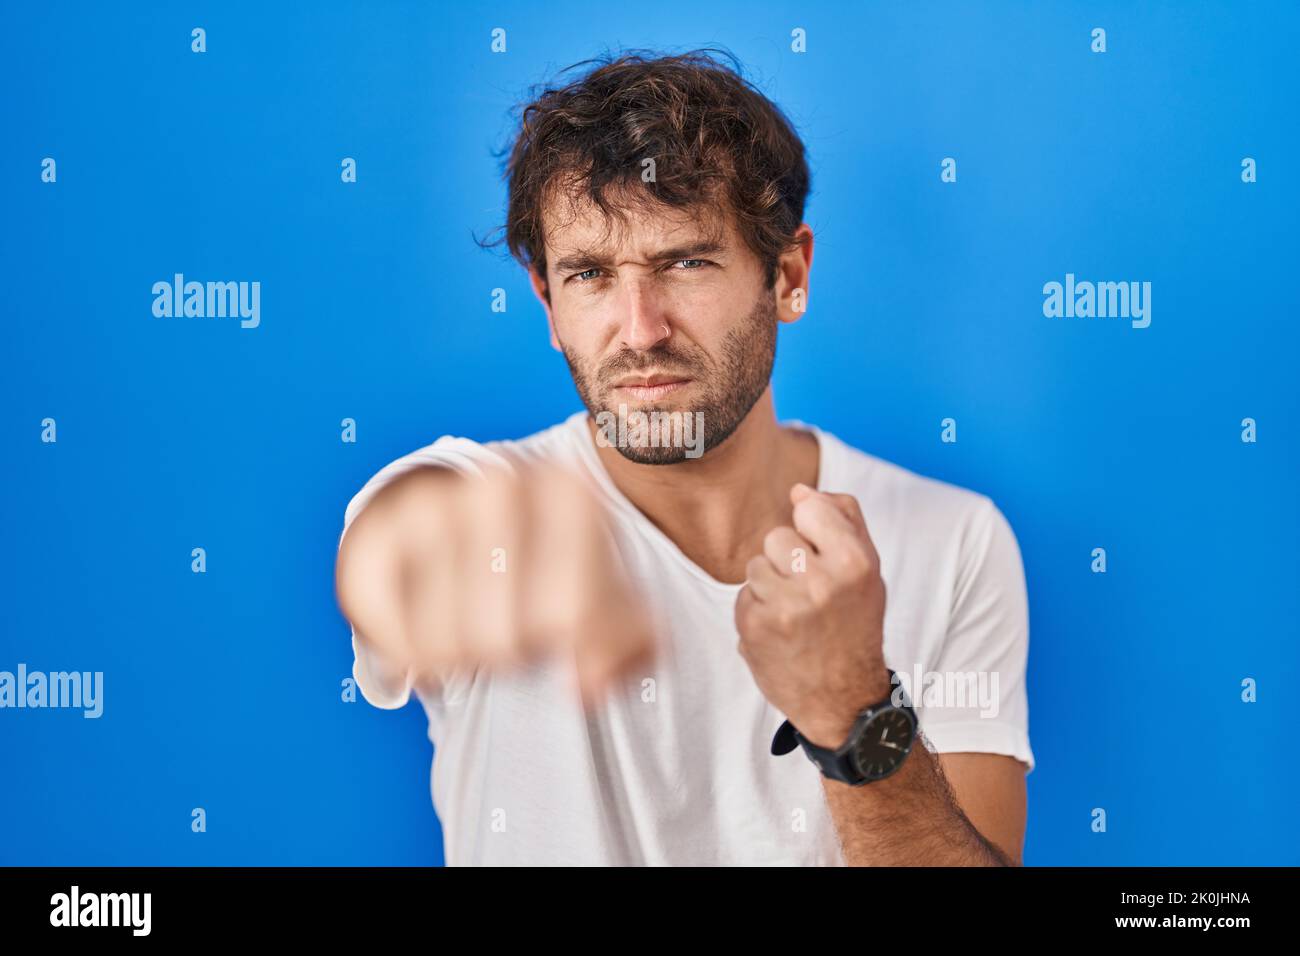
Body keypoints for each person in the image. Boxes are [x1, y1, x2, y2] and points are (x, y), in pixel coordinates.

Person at [334, 49, 1034, 866]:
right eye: (591, 274)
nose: (639, 329)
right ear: (548, 305)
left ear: (787, 275)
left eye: (685, 263)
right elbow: (394, 539)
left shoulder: (953, 540)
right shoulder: (491, 497)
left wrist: (856, 709)